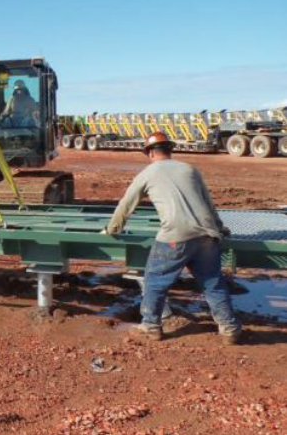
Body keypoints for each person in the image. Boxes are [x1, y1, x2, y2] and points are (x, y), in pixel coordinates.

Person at [102, 132, 241, 344]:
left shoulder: (148, 173)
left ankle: (150, 326)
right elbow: (208, 203)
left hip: (176, 236)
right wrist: (220, 228)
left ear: (149, 153)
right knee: (213, 282)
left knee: (155, 281)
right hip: (207, 234)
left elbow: (126, 204)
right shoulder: (189, 169)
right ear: (170, 150)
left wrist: (112, 229)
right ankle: (229, 329)